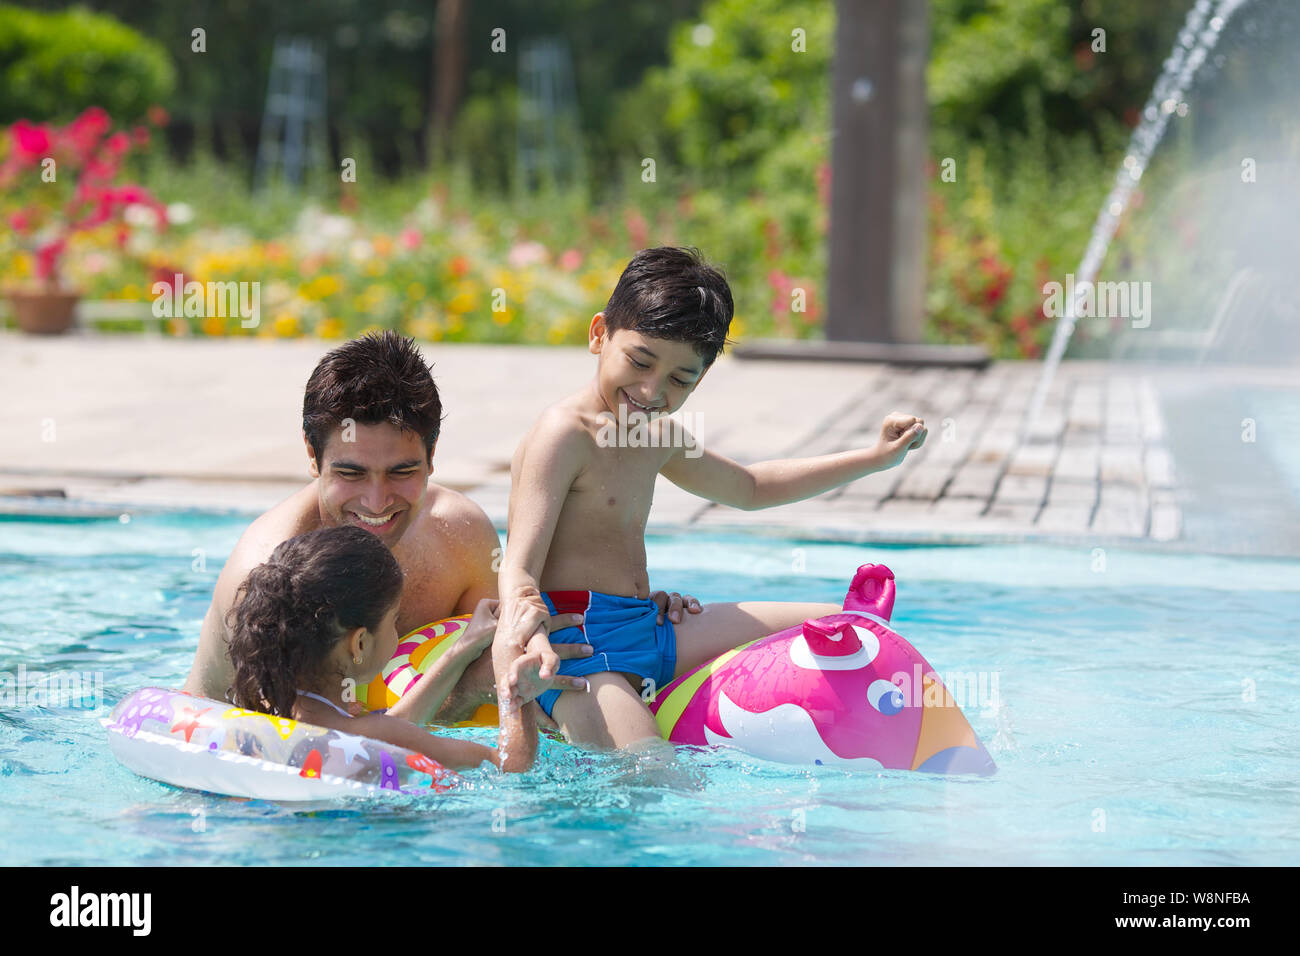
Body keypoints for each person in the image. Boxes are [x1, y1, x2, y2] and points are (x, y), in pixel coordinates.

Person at [497, 247, 929, 749]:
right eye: (639, 361)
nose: (651, 390)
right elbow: (518, 569)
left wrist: (874, 458)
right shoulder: (564, 434)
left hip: (650, 628)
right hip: (578, 650)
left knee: (847, 629)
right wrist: (529, 642)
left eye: (680, 379)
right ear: (599, 335)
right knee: (653, 777)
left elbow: (750, 488)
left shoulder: (657, 436)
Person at [183, 330, 692, 722]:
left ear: (432, 460)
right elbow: (273, 736)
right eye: (351, 472)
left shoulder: (460, 537)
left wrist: (632, 606)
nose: (377, 502)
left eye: (403, 471)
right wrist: (461, 694)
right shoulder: (269, 574)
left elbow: (509, 658)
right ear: (312, 457)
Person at [227, 525, 566, 771]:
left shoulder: (265, 707)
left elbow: (395, 726)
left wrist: (462, 648)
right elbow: (511, 766)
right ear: (359, 643)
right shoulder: (376, 733)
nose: (396, 628)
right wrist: (515, 690)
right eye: (393, 619)